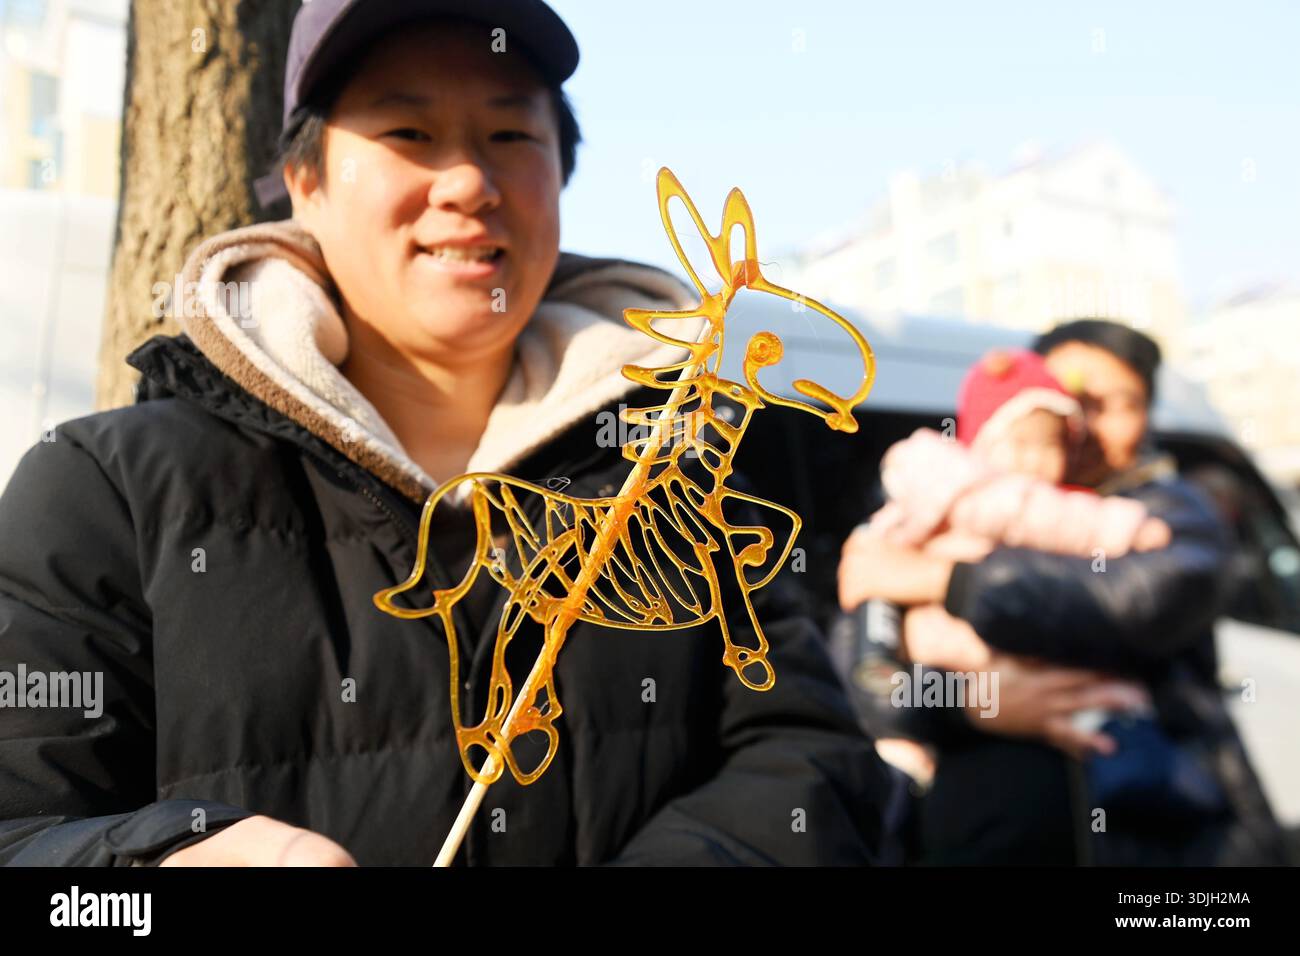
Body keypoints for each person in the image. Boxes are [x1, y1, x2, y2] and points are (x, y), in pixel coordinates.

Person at [0, 0, 904, 866]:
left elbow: (809, 762)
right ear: (306, 183)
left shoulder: (675, 473)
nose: (470, 182)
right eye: (409, 132)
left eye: (511, 136)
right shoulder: (103, 493)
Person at [838, 319, 1286, 864]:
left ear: (1148, 415)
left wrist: (942, 579)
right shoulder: (946, 504)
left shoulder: (1173, 513)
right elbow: (865, 672)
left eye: (1118, 403)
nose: (1087, 422)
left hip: (1169, 837)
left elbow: (1123, 604)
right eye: (1071, 397)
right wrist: (972, 703)